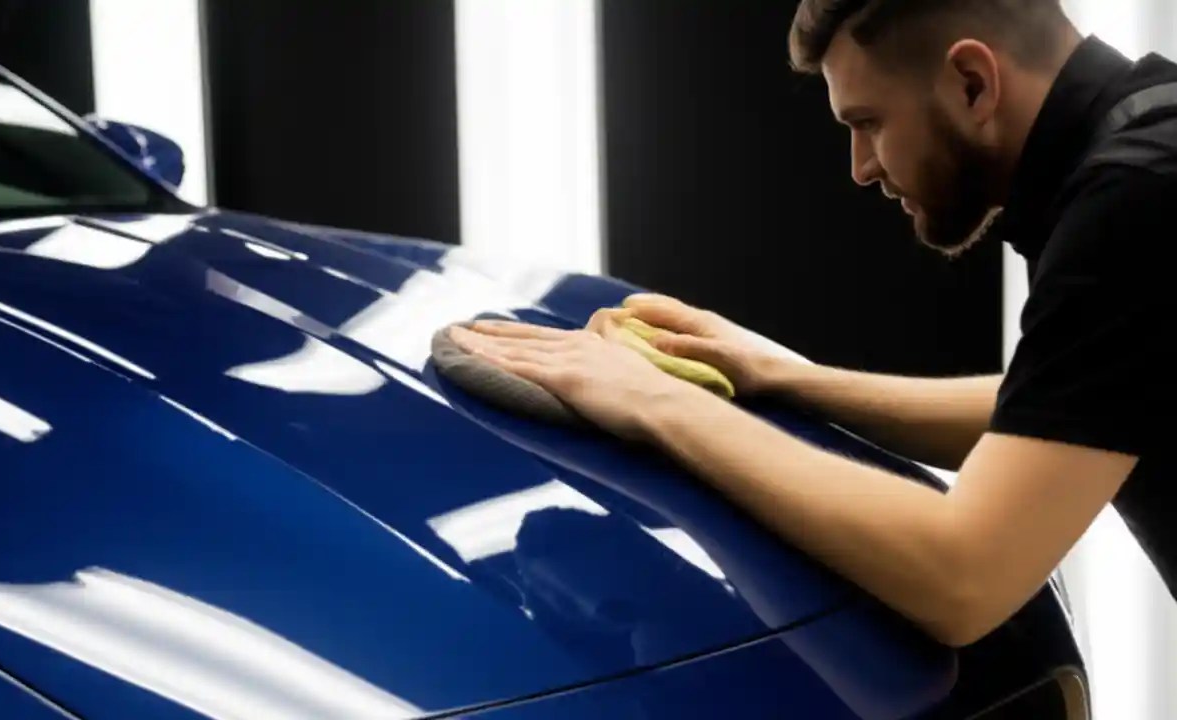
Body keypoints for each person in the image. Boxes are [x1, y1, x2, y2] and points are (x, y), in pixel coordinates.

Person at [450, 0, 1177, 648]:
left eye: (868, 122)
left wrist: (652, 402)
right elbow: (1065, 409)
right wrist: (787, 379)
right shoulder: (1153, 128)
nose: (860, 167)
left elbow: (963, 578)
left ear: (971, 84)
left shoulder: (1133, 203)